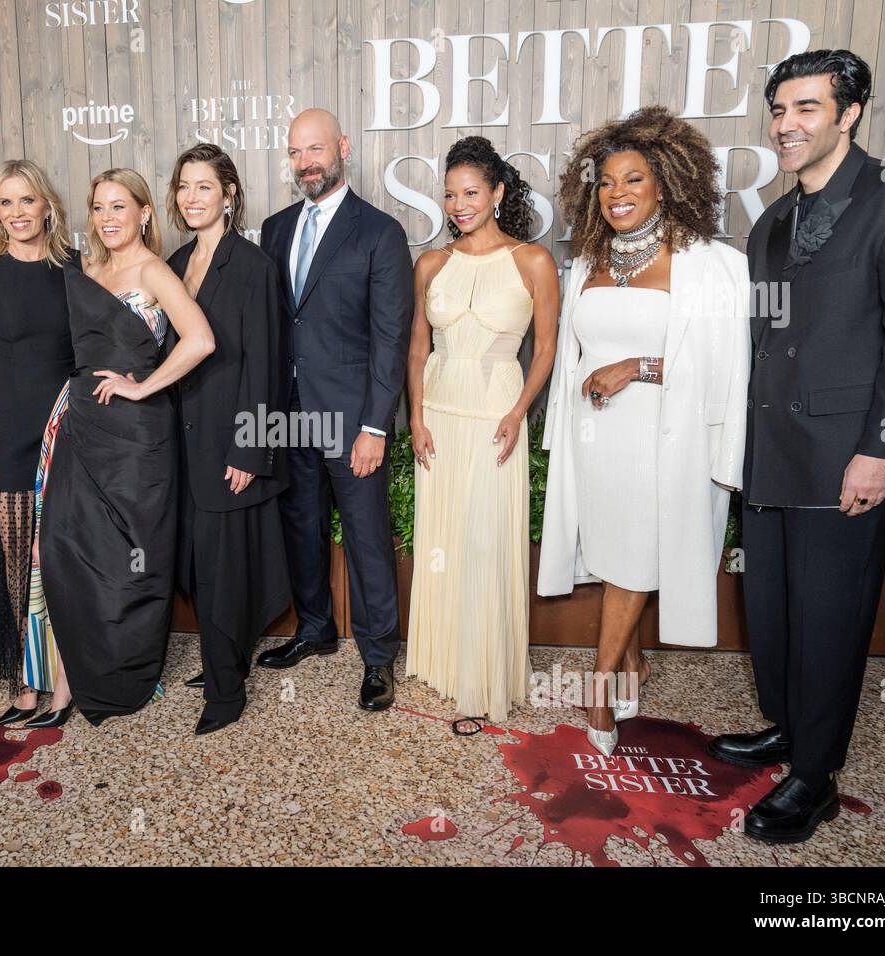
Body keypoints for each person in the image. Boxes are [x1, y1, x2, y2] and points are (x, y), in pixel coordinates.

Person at [709, 50, 885, 843]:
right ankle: (788, 728)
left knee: (831, 618)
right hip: (772, 453)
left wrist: (883, 448)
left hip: (847, 456)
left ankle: (816, 777)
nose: (786, 125)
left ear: (849, 113)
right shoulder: (772, 222)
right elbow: (762, 343)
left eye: (806, 108)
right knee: (771, 613)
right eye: (778, 110)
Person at [537, 107, 750, 757]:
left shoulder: (709, 266)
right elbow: (573, 357)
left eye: (633, 179)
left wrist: (637, 366)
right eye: (605, 182)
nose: (617, 193)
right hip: (595, 442)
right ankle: (634, 665)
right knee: (609, 556)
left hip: (663, 440)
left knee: (631, 557)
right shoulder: (586, 263)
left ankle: (599, 686)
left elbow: (724, 365)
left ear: (666, 184)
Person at [35, 168, 214, 726]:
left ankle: (117, 675)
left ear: (143, 213)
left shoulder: (154, 270)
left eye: (119, 207)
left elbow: (201, 339)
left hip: (138, 436)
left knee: (131, 559)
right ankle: (67, 681)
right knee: (65, 547)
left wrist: (144, 384)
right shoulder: (85, 270)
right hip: (84, 424)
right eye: (98, 208)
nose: (108, 218)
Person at [256, 108, 414, 711]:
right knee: (302, 525)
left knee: (367, 537)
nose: (306, 163)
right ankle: (316, 628)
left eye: (316, 149)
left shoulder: (379, 232)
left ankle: (378, 657)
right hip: (289, 414)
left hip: (353, 418)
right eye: (296, 153)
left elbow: (390, 338)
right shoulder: (274, 229)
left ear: (343, 147)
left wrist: (376, 425)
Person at [405, 137, 559, 734]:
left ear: (497, 193)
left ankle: (484, 675)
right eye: (450, 194)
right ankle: (444, 662)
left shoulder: (533, 261)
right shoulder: (431, 264)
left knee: (485, 541)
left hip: (496, 415)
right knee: (443, 540)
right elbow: (419, 347)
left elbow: (545, 347)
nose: (459, 204)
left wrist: (520, 408)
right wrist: (416, 417)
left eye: (471, 193)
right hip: (439, 415)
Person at [163, 143, 292, 735]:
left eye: (204, 187)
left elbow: (267, 362)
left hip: (228, 439)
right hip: (179, 442)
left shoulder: (254, 265)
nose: (192, 198)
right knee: (194, 559)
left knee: (221, 568)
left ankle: (225, 691)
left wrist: (250, 448)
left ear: (229, 195)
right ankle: (225, 659)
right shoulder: (175, 259)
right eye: (184, 187)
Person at [0, 160, 76, 727]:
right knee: (14, 565)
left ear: (47, 204)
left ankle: (62, 682)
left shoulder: (77, 267)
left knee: (57, 559)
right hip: (6, 431)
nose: (18, 212)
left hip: (66, 432)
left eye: (27, 199)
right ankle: (26, 683)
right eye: (6, 203)